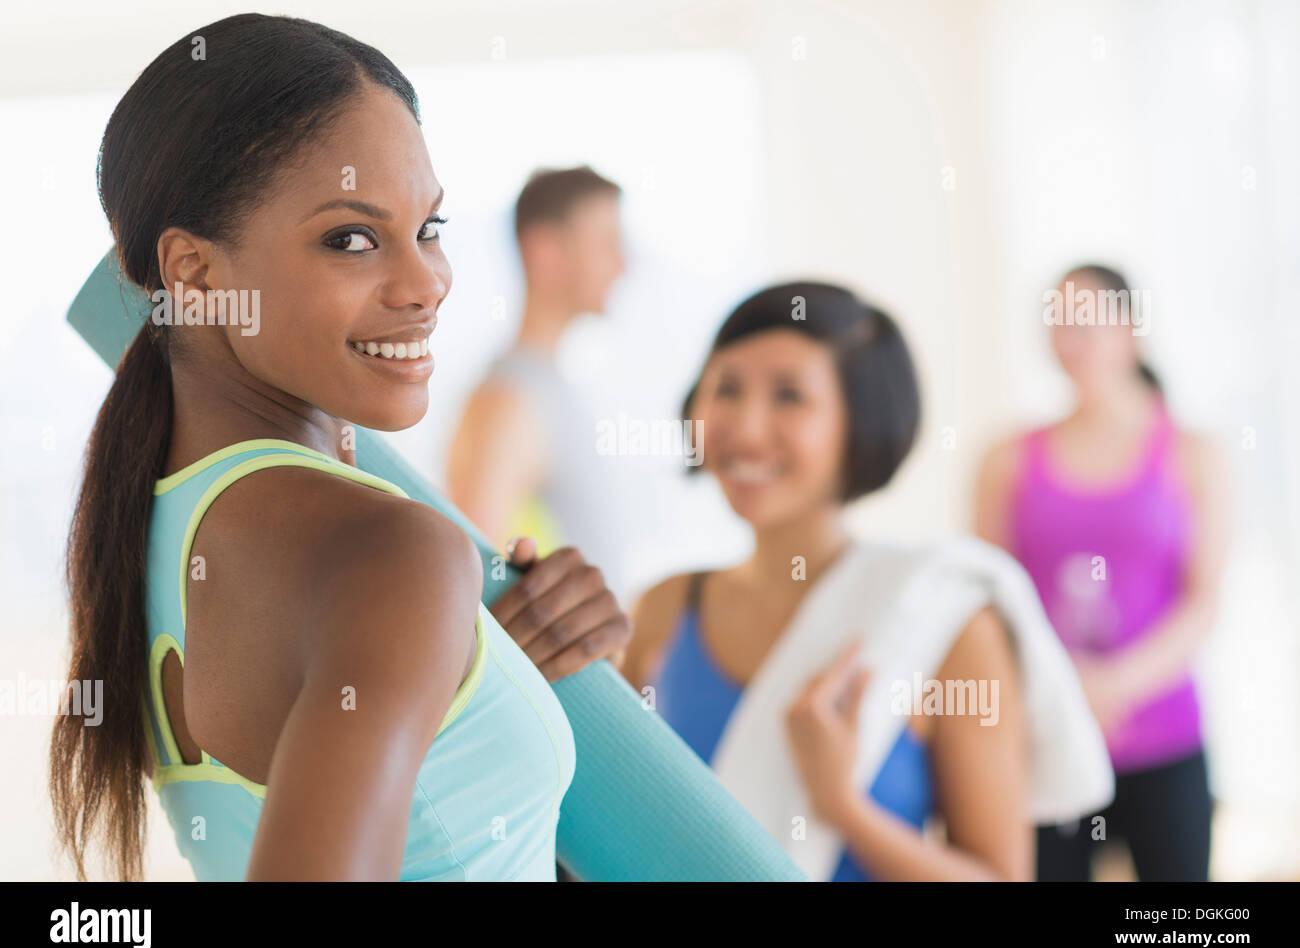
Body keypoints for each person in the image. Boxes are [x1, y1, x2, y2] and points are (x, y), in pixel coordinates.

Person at [49, 13, 628, 882]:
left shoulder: (155, 527)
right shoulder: (387, 551)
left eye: (429, 228)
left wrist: (480, 675)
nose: (427, 283)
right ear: (196, 274)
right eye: (351, 239)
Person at [619, 282, 1045, 881]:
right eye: (727, 387)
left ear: (860, 425)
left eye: (789, 396)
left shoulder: (942, 618)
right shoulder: (662, 607)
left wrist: (842, 808)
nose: (746, 426)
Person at [974, 264, 1229, 881]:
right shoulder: (1006, 458)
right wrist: (1064, 689)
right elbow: (986, 605)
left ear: (1131, 331)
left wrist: (1112, 685)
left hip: (1164, 738)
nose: (1074, 339)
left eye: (1090, 321)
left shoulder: (1192, 452)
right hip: (1045, 740)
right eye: (1060, 323)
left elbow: (1203, 604)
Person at [447, 166, 630, 592]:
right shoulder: (508, 401)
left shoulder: (549, 388)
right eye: (607, 244)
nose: (622, 265)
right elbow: (473, 585)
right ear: (546, 251)